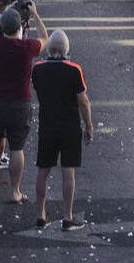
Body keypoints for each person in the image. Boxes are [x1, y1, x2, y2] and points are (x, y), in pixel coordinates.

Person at [0, 4, 48, 204]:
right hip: (19, 103)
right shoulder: (27, 48)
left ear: (3, 28)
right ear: (20, 29)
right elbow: (45, 38)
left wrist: (2, 15)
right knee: (17, 148)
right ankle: (15, 191)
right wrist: (35, 13)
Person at [32, 30, 93, 231]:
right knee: (68, 170)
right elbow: (83, 101)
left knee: (44, 169)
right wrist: (89, 126)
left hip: (47, 125)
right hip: (69, 126)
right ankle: (67, 216)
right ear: (67, 50)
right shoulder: (74, 70)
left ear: (49, 49)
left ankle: (41, 213)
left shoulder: (38, 69)